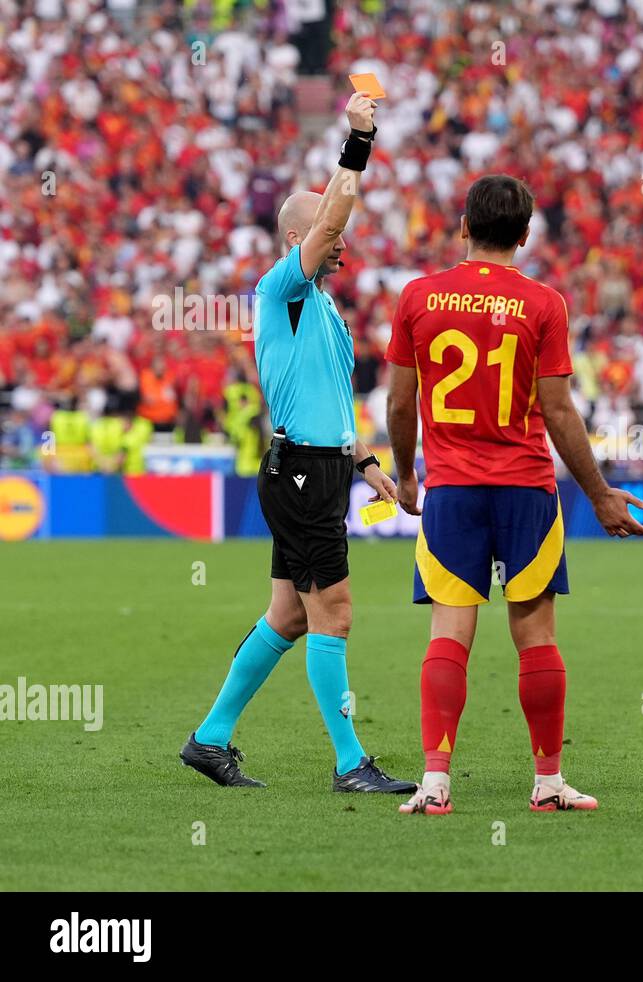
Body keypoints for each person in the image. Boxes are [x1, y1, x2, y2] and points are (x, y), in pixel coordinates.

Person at [386, 174, 643, 816]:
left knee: (449, 634)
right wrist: (599, 495)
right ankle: (548, 782)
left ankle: (436, 783)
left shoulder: (419, 296)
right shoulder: (544, 304)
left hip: (451, 489)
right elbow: (558, 412)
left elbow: (399, 400)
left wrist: (407, 474)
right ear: (526, 235)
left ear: (462, 226)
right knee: (535, 636)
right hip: (526, 487)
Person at [181, 91, 416, 795]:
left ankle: (209, 740)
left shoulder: (321, 307)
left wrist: (367, 461)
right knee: (333, 611)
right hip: (303, 475)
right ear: (296, 240)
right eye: (324, 230)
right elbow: (335, 214)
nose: (340, 237)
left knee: (288, 613)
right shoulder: (283, 286)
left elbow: (332, 403)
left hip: (319, 467)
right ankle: (350, 764)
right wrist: (357, 141)